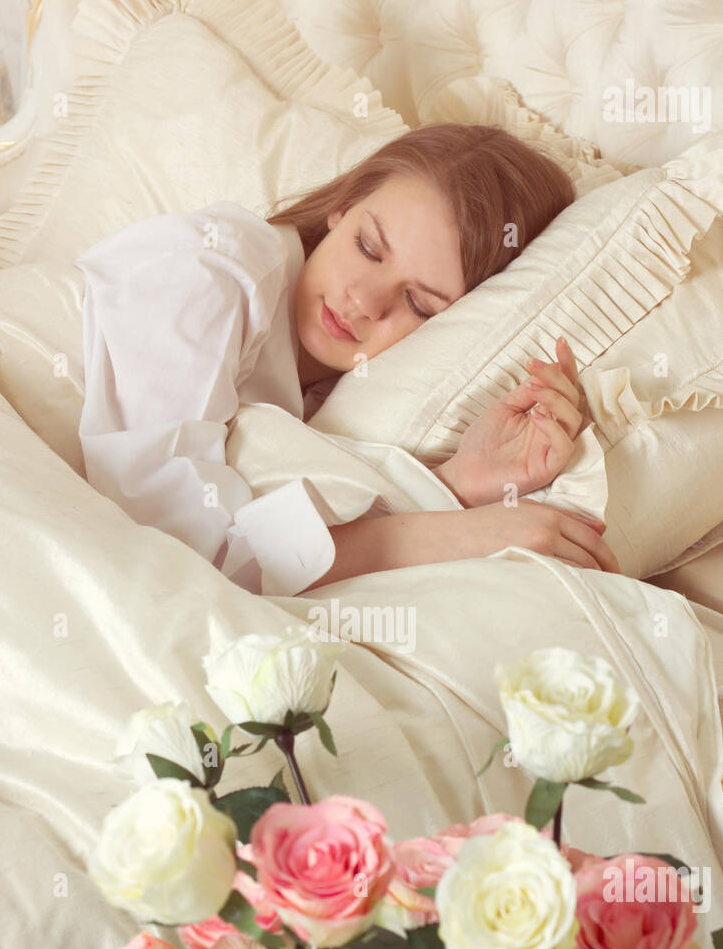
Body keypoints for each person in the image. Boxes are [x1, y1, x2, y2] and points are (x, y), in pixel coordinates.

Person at [75, 124, 619, 597]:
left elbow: (262, 549)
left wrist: (458, 481)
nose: (363, 299)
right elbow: (181, 553)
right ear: (341, 208)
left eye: (417, 303)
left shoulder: (328, 402)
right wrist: (471, 530)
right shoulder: (217, 272)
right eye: (367, 246)